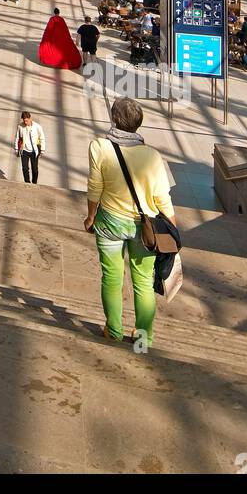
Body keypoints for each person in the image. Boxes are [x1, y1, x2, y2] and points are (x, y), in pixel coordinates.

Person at [83, 98, 174, 345]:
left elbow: (95, 187)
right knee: (143, 283)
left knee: (111, 278)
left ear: (114, 119)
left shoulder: (99, 147)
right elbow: (161, 197)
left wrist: (91, 216)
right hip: (144, 228)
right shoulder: (152, 155)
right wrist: (172, 230)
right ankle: (144, 337)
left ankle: (112, 330)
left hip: (110, 222)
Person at [16, 110, 45, 184]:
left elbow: (42, 138)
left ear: (30, 118)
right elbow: (17, 138)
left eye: (26, 120)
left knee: (34, 169)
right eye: (24, 121)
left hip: (34, 151)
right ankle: (27, 183)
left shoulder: (37, 127)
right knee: (25, 168)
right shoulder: (20, 126)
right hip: (24, 150)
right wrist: (16, 149)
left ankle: (34, 182)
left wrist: (42, 150)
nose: (25, 122)